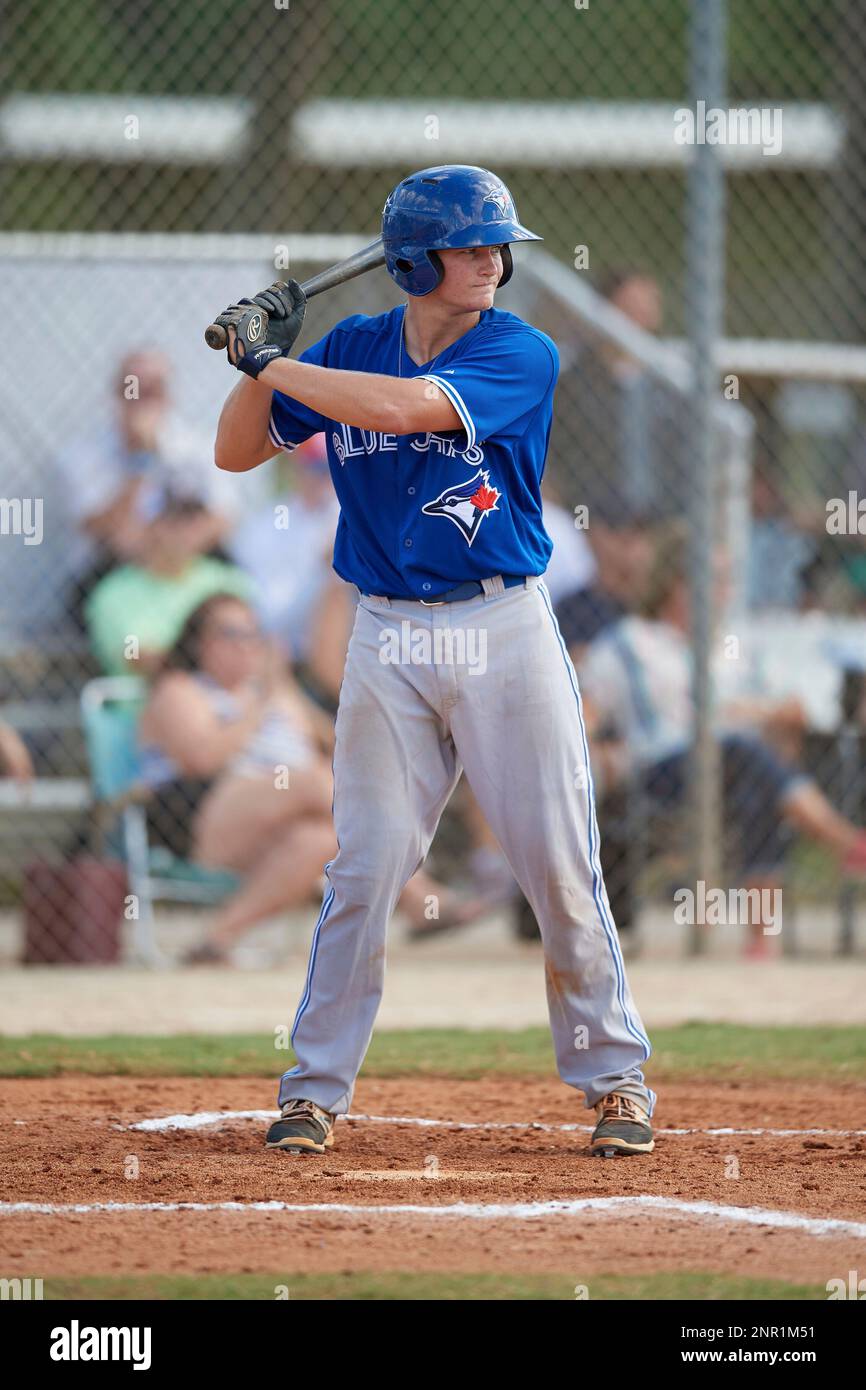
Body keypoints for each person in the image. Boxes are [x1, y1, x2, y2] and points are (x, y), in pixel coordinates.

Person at [212, 164, 655, 1159]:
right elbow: (234, 453)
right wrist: (254, 366)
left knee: (556, 862)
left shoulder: (519, 351)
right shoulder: (350, 346)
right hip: (384, 632)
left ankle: (614, 1078)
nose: (492, 262)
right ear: (415, 259)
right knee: (364, 868)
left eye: (497, 245)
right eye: (469, 246)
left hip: (502, 628)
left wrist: (271, 363)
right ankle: (312, 1088)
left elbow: (405, 409)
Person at [139, 593, 480, 963]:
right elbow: (202, 760)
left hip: (278, 826)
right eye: (230, 634)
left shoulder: (277, 692)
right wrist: (263, 701)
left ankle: (215, 941)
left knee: (322, 839)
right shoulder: (182, 689)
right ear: (199, 642)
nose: (246, 646)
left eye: (253, 635)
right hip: (202, 818)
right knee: (316, 782)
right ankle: (419, 893)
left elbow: (338, 745)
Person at [577, 522, 866, 959]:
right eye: (713, 578)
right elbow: (583, 722)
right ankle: (848, 845)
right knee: (743, 754)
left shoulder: (732, 644)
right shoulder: (628, 642)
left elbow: (794, 709)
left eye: (728, 578)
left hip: (742, 767)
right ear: (675, 582)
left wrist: (741, 712)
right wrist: (602, 761)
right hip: (661, 771)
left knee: (754, 776)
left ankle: (760, 946)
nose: (725, 589)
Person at [54, 349, 249, 628]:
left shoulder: (197, 446)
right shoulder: (84, 456)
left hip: (185, 560)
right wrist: (141, 460)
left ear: (168, 396)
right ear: (117, 394)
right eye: (133, 387)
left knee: (232, 573)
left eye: (153, 389)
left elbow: (223, 517)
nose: (142, 399)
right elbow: (104, 530)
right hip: (119, 567)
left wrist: (172, 551)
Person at [85, 497, 254, 675]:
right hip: (148, 698)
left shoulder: (230, 581)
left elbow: (261, 646)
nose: (184, 530)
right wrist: (205, 659)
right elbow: (134, 656)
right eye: (172, 520)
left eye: (191, 519)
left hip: (226, 695)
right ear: (148, 526)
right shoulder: (114, 593)